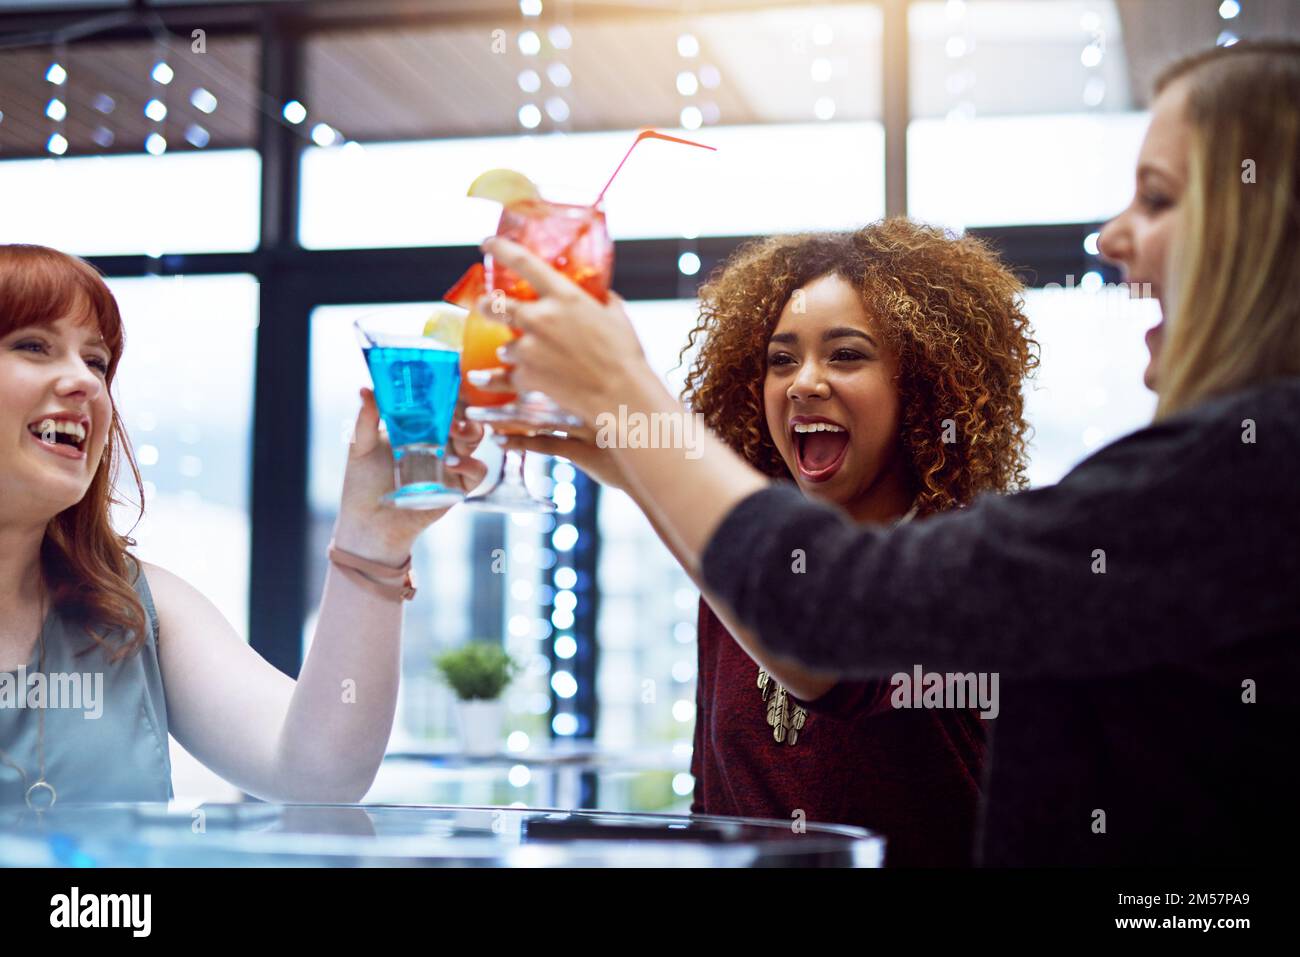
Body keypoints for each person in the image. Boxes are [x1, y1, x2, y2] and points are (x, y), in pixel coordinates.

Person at [479, 41, 1300, 865]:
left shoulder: (1236, 478)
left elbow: (824, 620)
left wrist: (628, 400)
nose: (1113, 235)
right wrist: (622, 448)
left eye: (1158, 198)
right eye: (779, 357)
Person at [501, 220, 1037, 865]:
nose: (803, 382)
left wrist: (636, 427)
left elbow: (828, 654)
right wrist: (634, 472)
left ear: (922, 386)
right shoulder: (739, 572)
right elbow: (714, 803)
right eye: (781, 359)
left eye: (846, 354)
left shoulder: (966, 568)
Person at [0, 244, 486, 808]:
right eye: (33, 346)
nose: (84, 383)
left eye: (97, 362)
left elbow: (317, 773)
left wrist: (373, 539)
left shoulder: (130, 607)